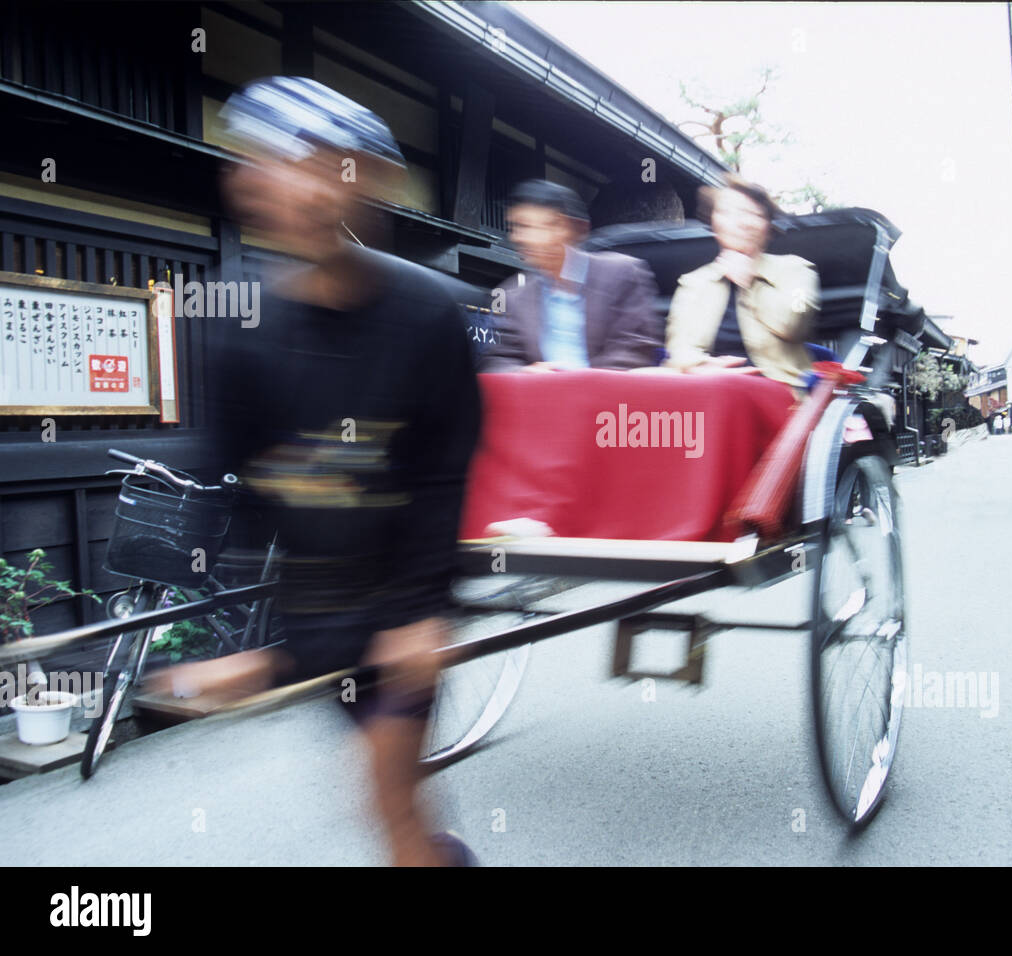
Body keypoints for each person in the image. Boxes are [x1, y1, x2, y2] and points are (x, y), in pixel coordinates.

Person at [150, 77, 481, 867]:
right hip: (311, 612)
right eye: (270, 168)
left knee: (389, 804)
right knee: (395, 811)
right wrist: (240, 639)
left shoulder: (428, 313)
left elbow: (443, 475)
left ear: (365, 183)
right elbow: (231, 483)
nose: (297, 189)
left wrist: (424, 612)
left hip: (400, 599)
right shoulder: (236, 325)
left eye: (324, 168)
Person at [479, 179, 661, 372]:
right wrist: (523, 373)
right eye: (515, 228)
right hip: (540, 398)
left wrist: (573, 384)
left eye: (528, 226)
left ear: (569, 227)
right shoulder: (513, 294)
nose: (519, 237)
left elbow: (635, 350)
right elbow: (497, 359)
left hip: (609, 398)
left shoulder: (622, 273)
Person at [663, 175, 820, 388]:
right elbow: (678, 345)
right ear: (715, 223)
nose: (740, 223)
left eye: (751, 214)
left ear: (767, 226)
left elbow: (795, 321)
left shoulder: (798, 271)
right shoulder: (694, 282)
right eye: (726, 212)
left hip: (777, 389)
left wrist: (749, 282)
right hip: (706, 387)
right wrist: (699, 366)